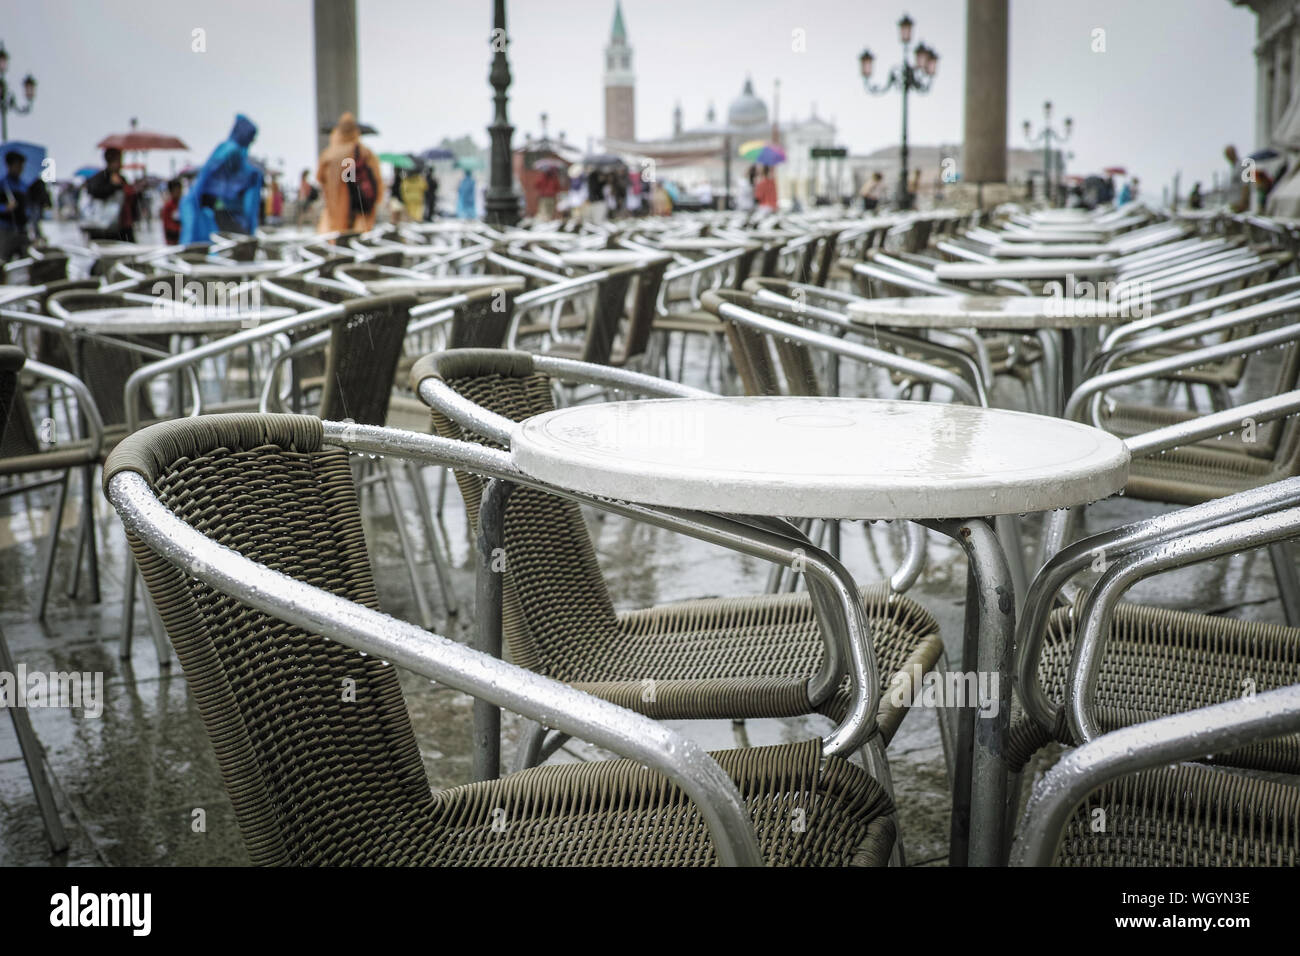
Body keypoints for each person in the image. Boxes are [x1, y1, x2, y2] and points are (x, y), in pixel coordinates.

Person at [180, 114, 263, 243]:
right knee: (239, 242)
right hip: (219, 208)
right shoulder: (232, 150)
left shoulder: (230, 149)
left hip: (220, 208)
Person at [316, 111, 384, 233]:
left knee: (335, 235)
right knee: (358, 238)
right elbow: (377, 180)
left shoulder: (328, 154)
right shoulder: (364, 152)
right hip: (360, 206)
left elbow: (320, 178)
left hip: (335, 207)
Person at [83, 147, 140, 242]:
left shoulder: (122, 179)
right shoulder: (100, 177)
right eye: (118, 160)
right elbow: (95, 193)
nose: (121, 164)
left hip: (123, 227)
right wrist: (112, 186)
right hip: (104, 228)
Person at [0, 151, 28, 261]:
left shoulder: (23, 185)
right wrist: (5, 208)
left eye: (22, 166)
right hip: (5, 229)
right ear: (10, 166)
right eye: (18, 165)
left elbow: (27, 208)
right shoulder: (3, 184)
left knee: (25, 259)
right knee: (4, 259)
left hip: (21, 229)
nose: (20, 168)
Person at [160, 178, 183, 244]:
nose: (179, 193)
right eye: (177, 191)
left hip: (182, 239)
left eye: (180, 190)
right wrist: (181, 229)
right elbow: (167, 225)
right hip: (173, 240)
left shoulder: (183, 204)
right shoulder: (168, 206)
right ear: (171, 191)